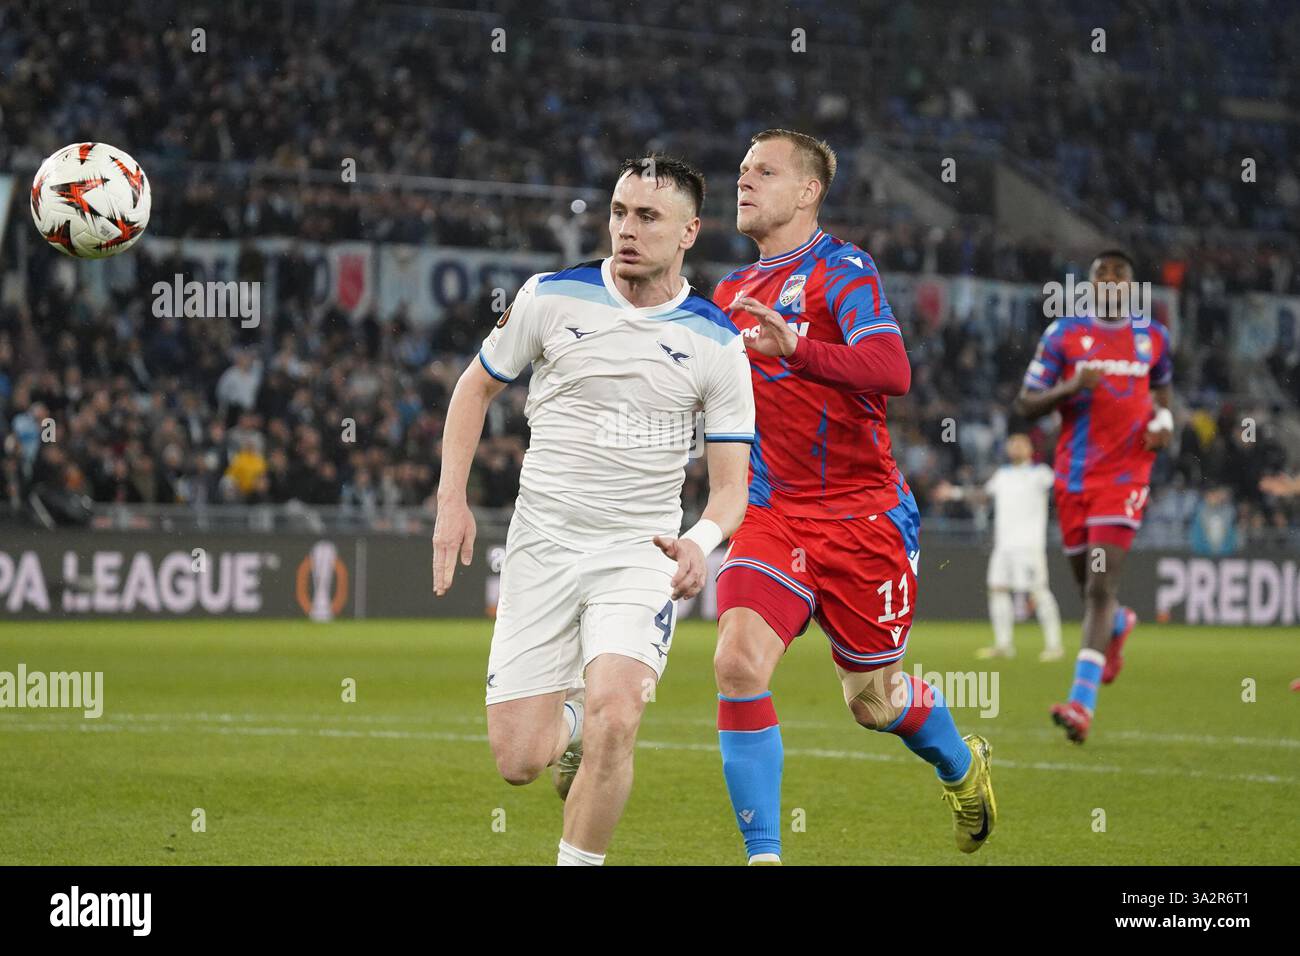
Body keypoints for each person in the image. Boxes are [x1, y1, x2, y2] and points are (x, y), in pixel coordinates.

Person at [433, 156, 754, 866]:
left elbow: (732, 489)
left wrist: (701, 539)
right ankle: (570, 723)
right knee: (519, 760)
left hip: (640, 555)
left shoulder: (718, 341)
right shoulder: (551, 297)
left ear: (689, 232)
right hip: (541, 546)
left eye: (648, 217)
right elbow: (473, 388)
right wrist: (451, 499)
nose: (627, 229)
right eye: (618, 212)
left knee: (620, 715)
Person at [711, 129, 996, 865]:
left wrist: (797, 349)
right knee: (737, 663)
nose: (744, 181)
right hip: (774, 511)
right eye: (741, 170)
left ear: (809, 191)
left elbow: (891, 369)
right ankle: (764, 856)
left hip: (864, 517)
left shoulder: (842, 268)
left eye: (764, 171)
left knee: (873, 703)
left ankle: (961, 765)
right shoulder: (727, 294)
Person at [1014, 250, 1174, 743]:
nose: (1110, 282)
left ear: (1131, 286)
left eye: (1118, 275)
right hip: (1074, 478)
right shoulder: (1063, 335)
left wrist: (1164, 424)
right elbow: (1026, 403)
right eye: (1101, 275)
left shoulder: (1153, 337)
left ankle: (1081, 704)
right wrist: (1070, 387)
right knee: (1089, 588)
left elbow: (1163, 395)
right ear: (1088, 286)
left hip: (1125, 478)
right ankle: (1118, 624)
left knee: (1100, 588)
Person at [933, 433, 1064, 661]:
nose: (1016, 447)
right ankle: (1004, 645)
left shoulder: (1041, 473)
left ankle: (1054, 646)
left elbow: (1062, 486)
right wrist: (954, 492)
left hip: (1029, 545)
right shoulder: (1002, 475)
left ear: (1031, 449)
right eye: (1012, 444)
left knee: (1039, 591)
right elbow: (983, 495)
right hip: (1003, 545)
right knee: (997, 589)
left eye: (1021, 443)